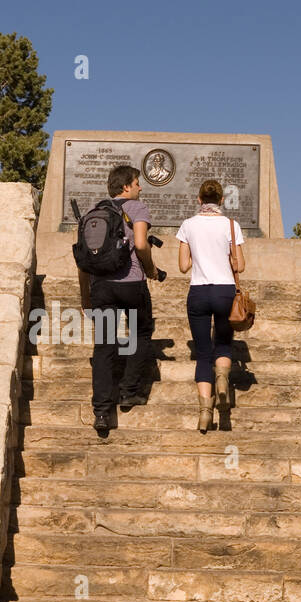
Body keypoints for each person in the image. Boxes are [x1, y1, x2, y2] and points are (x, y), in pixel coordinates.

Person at [76, 165, 164, 434]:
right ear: (126, 186)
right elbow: (140, 244)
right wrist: (150, 269)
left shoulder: (93, 213)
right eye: (137, 183)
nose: (140, 187)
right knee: (140, 331)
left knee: (103, 346)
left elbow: (82, 261)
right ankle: (128, 392)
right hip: (130, 284)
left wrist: (86, 296)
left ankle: (102, 413)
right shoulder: (137, 208)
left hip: (100, 286)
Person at [176, 179, 245, 433]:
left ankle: (205, 412)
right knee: (224, 344)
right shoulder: (231, 225)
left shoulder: (188, 225)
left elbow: (183, 266)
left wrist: (198, 253)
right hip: (225, 290)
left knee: (203, 353)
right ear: (222, 200)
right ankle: (223, 383)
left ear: (199, 199)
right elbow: (240, 266)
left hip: (199, 291)